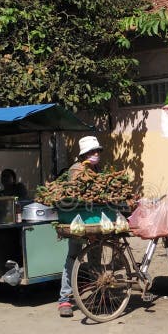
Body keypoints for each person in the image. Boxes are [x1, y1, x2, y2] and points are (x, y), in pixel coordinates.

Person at [58, 135, 103, 318]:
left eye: (97, 151)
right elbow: (79, 196)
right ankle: (64, 300)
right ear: (84, 154)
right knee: (73, 258)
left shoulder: (96, 170)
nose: (96, 154)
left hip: (94, 219)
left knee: (95, 258)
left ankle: (100, 292)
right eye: (92, 152)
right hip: (77, 220)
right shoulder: (76, 170)